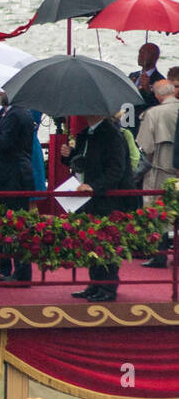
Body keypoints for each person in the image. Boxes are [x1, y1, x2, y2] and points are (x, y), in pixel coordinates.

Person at [61, 115, 135, 301]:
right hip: (88, 198)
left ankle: (108, 287)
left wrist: (94, 186)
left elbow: (116, 170)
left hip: (108, 198)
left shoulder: (112, 135)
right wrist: (68, 156)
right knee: (92, 241)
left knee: (107, 242)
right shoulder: (85, 133)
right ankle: (95, 283)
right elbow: (79, 162)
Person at [0, 93, 35, 283]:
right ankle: (5, 269)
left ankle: (20, 272)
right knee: (2, 226)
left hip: (12, 180)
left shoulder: (16, 115)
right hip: (5, 179)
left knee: (14, 228)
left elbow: (6, 144)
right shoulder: (10, 113)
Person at [137, 79, 179, 267]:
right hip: (175, 168)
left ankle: (159, 255)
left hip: (161, 168)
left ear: (156, 95)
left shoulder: (153, 114)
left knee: (158, 211)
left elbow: (145, 147)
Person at [128, 42, 163, 135]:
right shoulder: (133, 75)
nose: (140, 56)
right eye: (139, 52)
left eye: (144, 53)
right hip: (128, 120)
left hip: (144, 125)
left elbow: (159, 106)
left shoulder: (160, 80)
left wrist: (148, 91)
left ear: (155, 57)